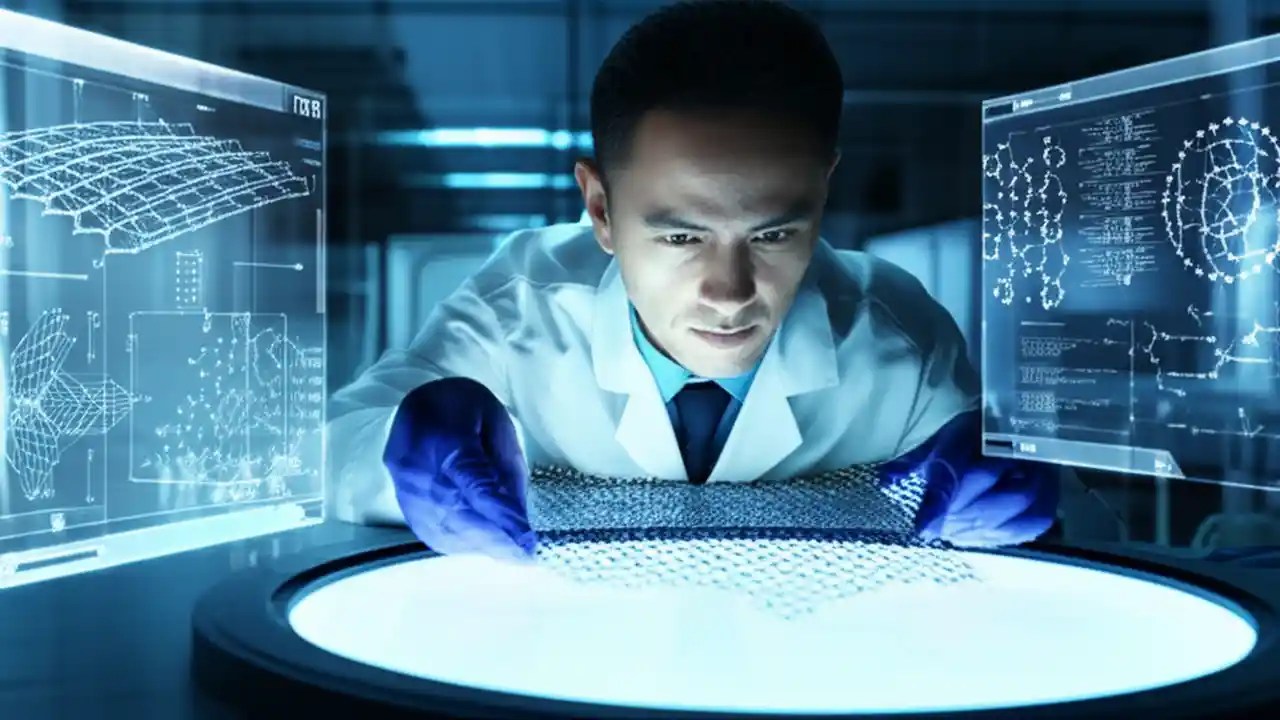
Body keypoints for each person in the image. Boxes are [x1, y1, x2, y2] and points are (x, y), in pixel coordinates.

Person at [327, 0, 1064, 561]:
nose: (731, 289)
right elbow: (330, 451)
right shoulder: (517, 308)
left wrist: (1021, 488)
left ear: (824, 192)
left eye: (774, 233)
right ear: (601, 209)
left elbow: (1038, 522)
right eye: (682, 236)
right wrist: (402, 439)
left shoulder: (899, 342)